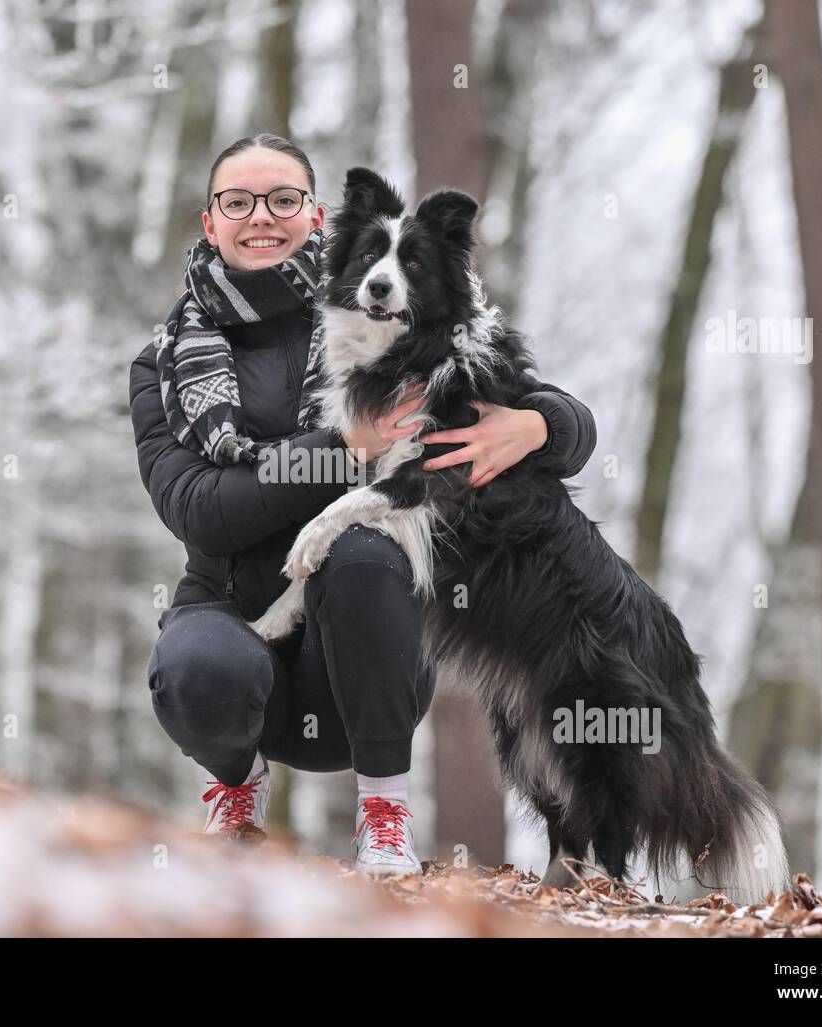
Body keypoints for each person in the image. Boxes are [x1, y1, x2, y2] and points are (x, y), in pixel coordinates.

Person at [128, 133, 596, 876]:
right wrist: (346, 445)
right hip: (238, 630)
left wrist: (541, 425)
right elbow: (199, 509)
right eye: (237, 201)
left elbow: (527, 398)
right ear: (209, 220)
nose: (261, 216)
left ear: (316, 217)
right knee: (193, 669)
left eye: (283, 199)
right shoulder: (166, 361)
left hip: (362, 664)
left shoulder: (387, 311)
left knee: (366, 551)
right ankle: (236, 790)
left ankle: (384, 816)